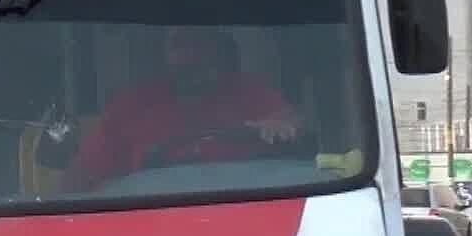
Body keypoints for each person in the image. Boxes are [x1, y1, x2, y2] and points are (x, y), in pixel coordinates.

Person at [62, 27, 302, 192]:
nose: (190, 56)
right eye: (180, 44)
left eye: (200, 44)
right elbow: (80, 182)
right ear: (165, 53)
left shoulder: (250, 92)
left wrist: (283, 125)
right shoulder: (131, 106)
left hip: (247, 211)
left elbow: (289, 122)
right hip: (151, 223)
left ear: (220, 50)